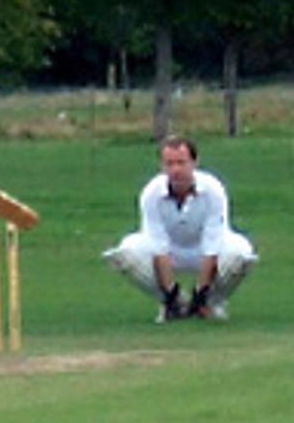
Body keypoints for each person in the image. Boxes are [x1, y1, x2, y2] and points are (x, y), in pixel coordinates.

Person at [103, 136, 257, 322]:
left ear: (194, 163)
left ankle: (210, 303)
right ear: (162, 166)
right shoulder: (151, 193)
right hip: (171, 251)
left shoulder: (213, 190)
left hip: (203, 248)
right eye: (169, 164)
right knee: (125, 252)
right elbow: (159, 247)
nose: (175, 170)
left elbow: (212, 246)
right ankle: (174, 304)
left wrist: (200, 294)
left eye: (181, 163)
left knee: (241, 253)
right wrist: (171, 294)